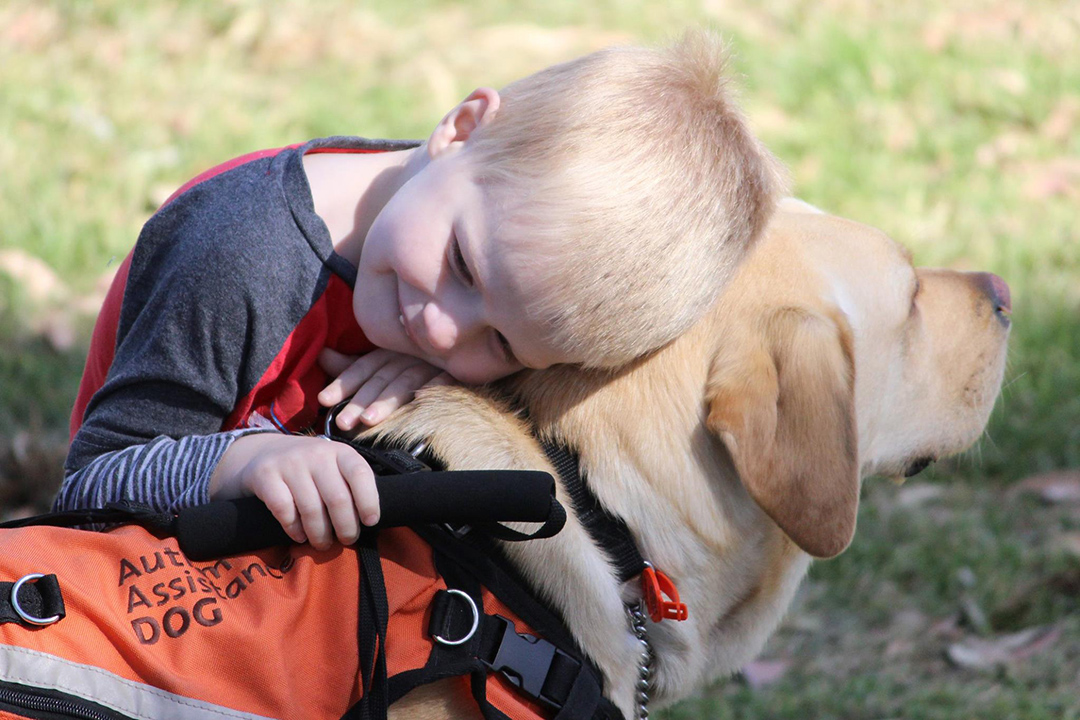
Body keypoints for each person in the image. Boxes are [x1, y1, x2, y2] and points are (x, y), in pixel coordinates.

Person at [56, 32, 784, 550]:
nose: (440, 329)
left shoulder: (463, 221)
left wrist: (445, 388)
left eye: (497, 342)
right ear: (462, 128)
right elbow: (86, 494)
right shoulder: (244, 258)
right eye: (463, 265)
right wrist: (246, 462)